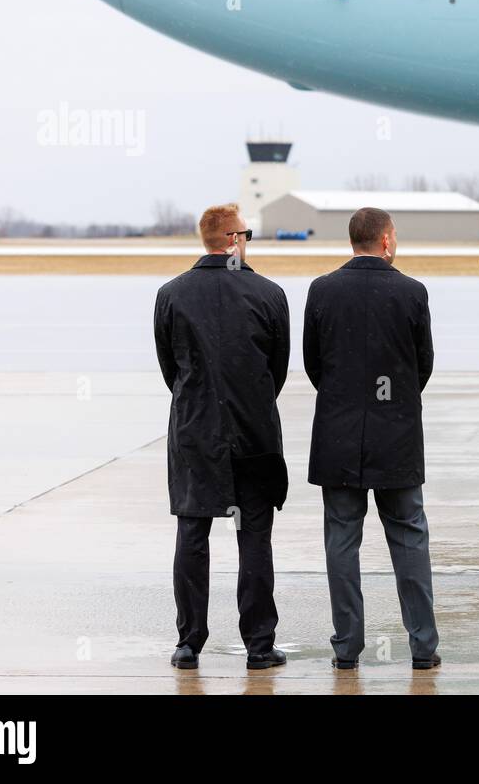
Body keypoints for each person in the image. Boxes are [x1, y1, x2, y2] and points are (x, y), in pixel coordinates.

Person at [154, 203, 291, 672]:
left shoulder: (171, 294)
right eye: (245, 233)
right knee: (254, 535)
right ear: (233, 239)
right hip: (254, 433)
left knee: (192, 533)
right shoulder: (269, 294)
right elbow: (278, 370)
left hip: (195, 432)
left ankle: (189, 643)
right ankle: (258, 645)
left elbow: (170, 371)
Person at [304, 207, 440, 671]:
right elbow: (422, 365)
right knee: (409, 540)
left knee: (341, 543)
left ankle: (347, 648)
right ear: (385, 241)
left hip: (338, 438)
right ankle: (423, 646)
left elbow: (313, 365)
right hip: (397, 438)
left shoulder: (321, 290)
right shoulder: (412, 292)